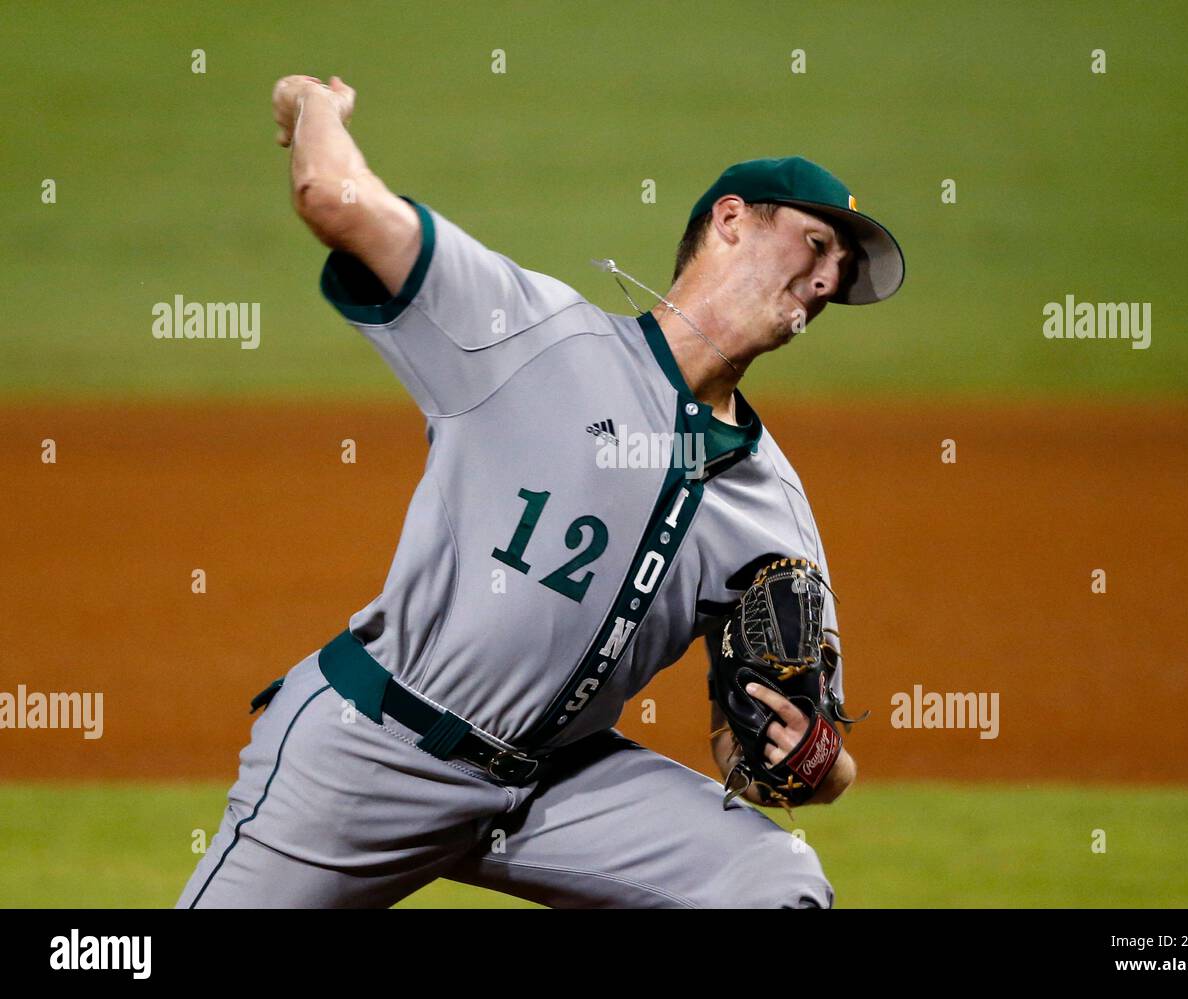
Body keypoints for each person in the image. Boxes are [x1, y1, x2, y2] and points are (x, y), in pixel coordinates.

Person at [176, 74, 904, 909]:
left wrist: (811, 759)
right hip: (371, 752)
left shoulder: (772, 503)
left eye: (842, 273)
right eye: (818, 244)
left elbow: (773, 751)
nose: (827, 280)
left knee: (774, 882)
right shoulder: (531, 336)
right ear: (731, 220)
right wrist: (312, 105)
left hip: (554, 790)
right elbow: (331, 197)